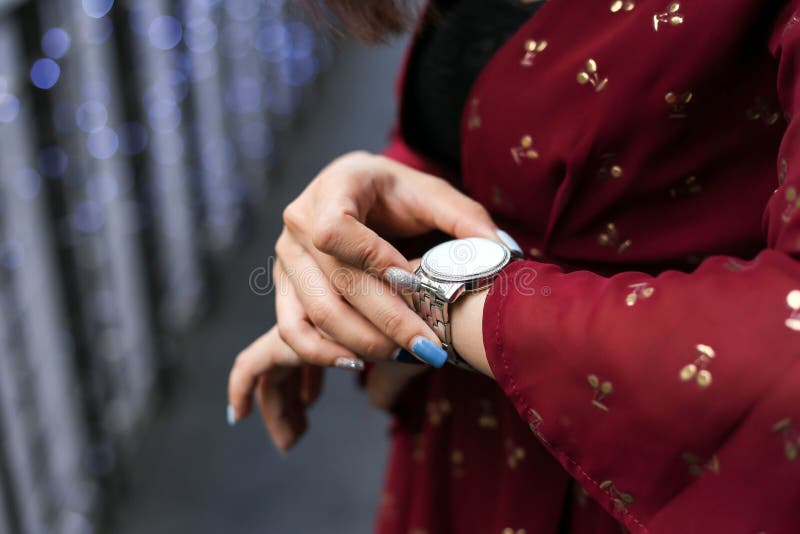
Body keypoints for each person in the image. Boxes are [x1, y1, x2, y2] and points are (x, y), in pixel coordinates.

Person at [228, 0, 800, 531]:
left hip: (651, 468)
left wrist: (434, 304)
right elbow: (477, 131)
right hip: (465, 455)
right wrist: (364, 213)